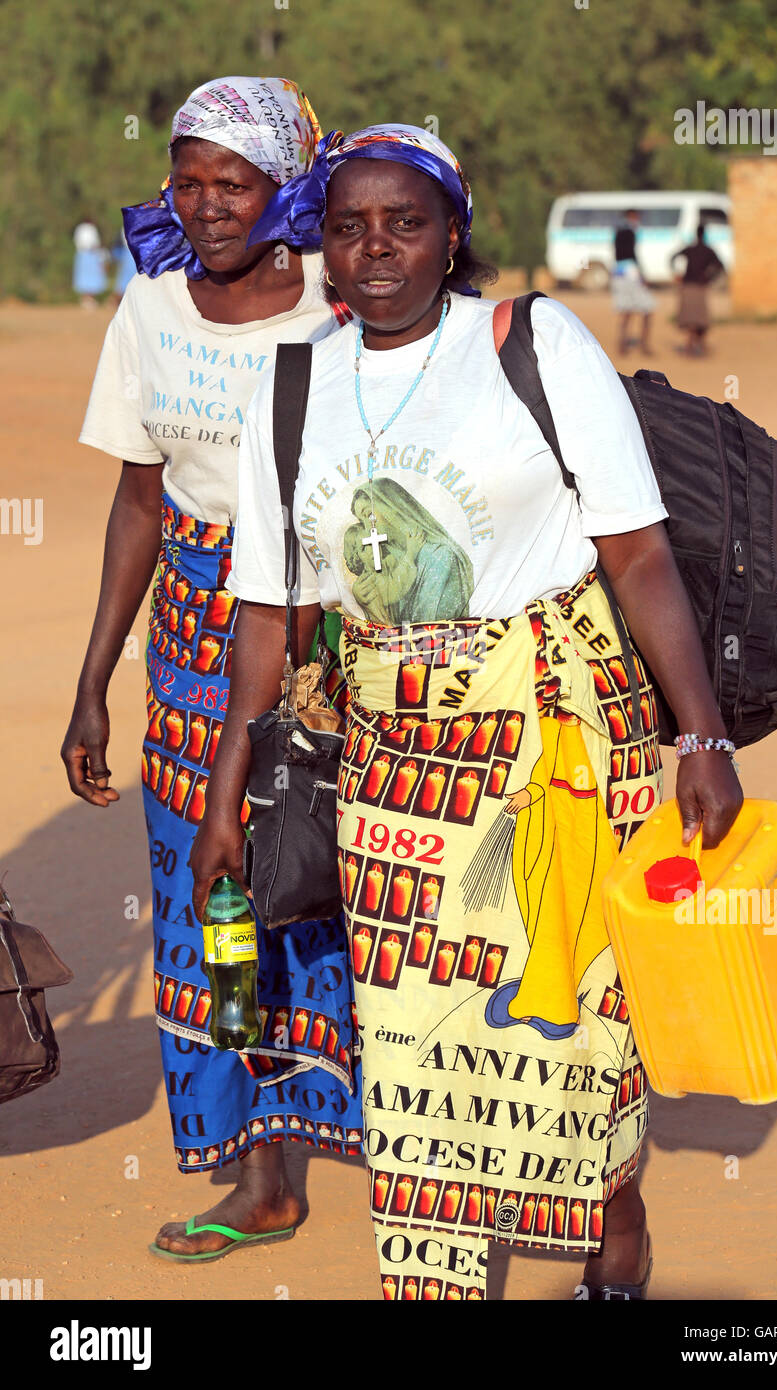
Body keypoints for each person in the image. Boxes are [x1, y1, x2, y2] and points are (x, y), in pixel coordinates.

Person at [191, 124, 743, 1301]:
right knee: (419, 1069)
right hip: (395, 777)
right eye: (348, 227)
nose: (376, 249)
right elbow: (262, 614)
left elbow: (637, 555)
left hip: (562, 746)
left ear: (454, 235)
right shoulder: (290, 387)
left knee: (572, 1042)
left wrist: (697, 732)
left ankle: (611, 1246)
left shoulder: (530, 343)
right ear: (321, 245)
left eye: (404, 223)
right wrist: (224, 798)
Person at [62, 76, 363, 1264]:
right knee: (213, 882)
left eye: (230, 182)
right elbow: (140, 496)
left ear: (282, 182)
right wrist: (95, 675)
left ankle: (418, 1147)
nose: (202, 205)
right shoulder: (148, 308)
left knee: (349, 877)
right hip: (194, 624)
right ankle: (259, 1171)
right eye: (185, 181)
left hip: (341, 622)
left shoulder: (345, 301)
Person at [671, 223, 725, 356]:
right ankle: (697, 346)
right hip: (701, 287)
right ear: (704, 234)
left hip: (688, 286)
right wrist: (709, 278)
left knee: (691, 319)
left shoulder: (690, 249)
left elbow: (672, 258)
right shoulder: (708, 250)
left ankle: (691, 346)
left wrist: (677, 273)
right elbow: (720, 266)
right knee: (700, 319)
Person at [611, 209, 654, 355]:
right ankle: (644, 345)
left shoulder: (617, 231)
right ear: (632, 217)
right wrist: (641, 275)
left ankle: (622, 345)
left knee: (625, 310)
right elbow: (632, 254)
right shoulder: (630, 232)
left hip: (618, 272)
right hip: (630, 271)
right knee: (648, 308)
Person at [72, 220, 108, 308]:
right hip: (87, 254)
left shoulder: (83, 228)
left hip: (90, 254)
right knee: (86, 276)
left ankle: (88, 298)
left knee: (91, 277)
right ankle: (86, 299)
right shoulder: (87, 228)